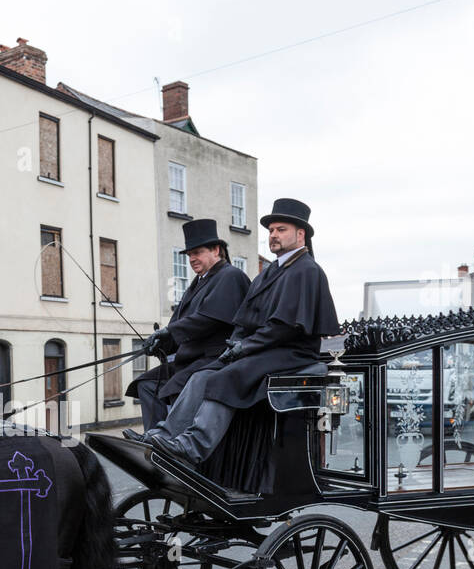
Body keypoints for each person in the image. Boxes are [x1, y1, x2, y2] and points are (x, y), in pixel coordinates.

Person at [144, 198, 340, 476]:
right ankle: (165, 435)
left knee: (226, 378)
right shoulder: (271, 272)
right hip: (264, 350)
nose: (273, 235)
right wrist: (235, 344)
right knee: (201, 374)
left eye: (281, 229)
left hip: (291, 352)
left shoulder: (306, 270)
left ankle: (194, 446)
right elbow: (245, 320)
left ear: (301, 234)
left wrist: (244, 348)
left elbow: (283, 327)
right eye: (271, 230)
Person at [124, 219, 249, 433]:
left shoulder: (230, 276)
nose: (192, 259)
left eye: (197, 253)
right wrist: (162, 343)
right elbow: (180, 325)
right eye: (189, 255)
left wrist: (169, 332)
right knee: (146, 384)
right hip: (189, 360)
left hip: (214, 358)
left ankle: (171, 442)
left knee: (175, 385)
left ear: (216, 250)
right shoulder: (199, 282)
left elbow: (207, 319)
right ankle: (153, 439)